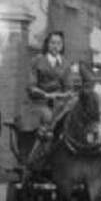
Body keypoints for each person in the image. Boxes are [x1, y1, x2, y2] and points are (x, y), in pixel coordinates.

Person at [25, 31, 78, 174]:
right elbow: (31, 86)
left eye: (58, 43)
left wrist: (66, 94)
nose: (55, 46)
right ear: (47, 44)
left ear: (62, 46)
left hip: (60, 104)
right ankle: (38, 155)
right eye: (52, 43)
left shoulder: (66, 64)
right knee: (48, 117)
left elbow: (69, 87)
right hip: (40, 102)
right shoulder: (37, 60)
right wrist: (46, 94)